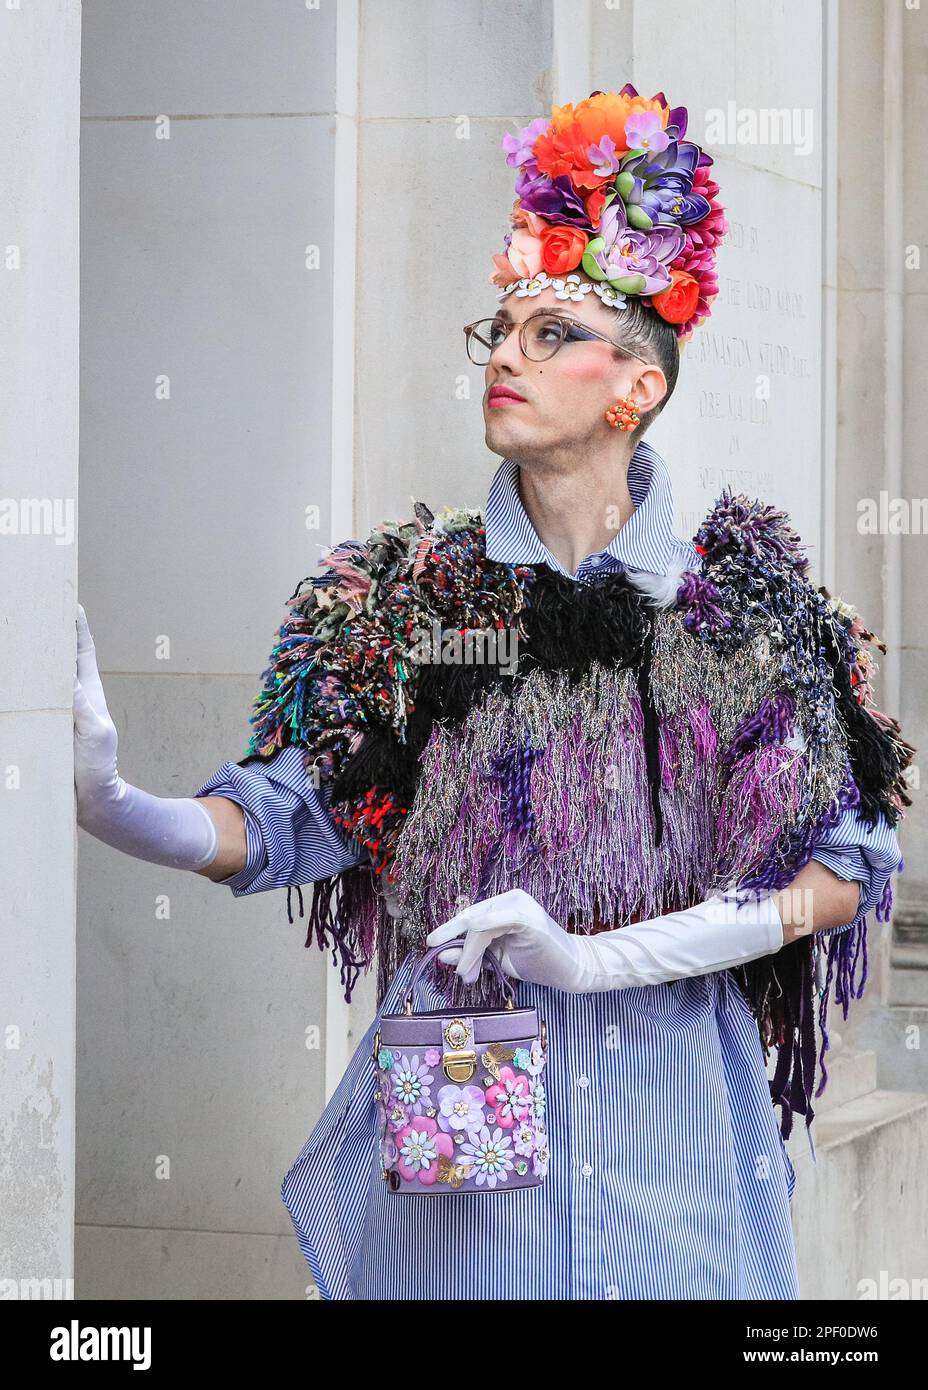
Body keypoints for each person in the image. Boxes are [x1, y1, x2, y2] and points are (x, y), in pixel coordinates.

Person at [73, 85, 912, 1300]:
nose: (505, 354)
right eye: (498, 330)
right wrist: (109, 799)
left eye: (549, 331)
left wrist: (601, 960)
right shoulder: (405, 605)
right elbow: (280, 821)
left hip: (669, 1098)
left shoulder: (746, 611)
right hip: (462, 1071)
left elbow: (842, 870)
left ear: (637, 386)